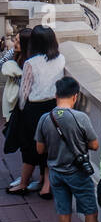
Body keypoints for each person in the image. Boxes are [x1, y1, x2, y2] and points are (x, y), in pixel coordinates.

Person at [34, 77, 100, 222]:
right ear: (75, 96)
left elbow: (39, 149)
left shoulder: (45, 119)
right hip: (78, 172)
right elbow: (94, 145)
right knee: (90, 213)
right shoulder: (81, 118)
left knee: (63, 215)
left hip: (56, 173)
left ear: (56, 95)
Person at [9, 25, 64, 198]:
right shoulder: (60, 59)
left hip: (34, 108)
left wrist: (21, 110)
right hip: (53, 107)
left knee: (30, 147)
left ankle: (23, 183)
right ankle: (47, 185)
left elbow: (24, 92)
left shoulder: (30, 63)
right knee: (49, 146)